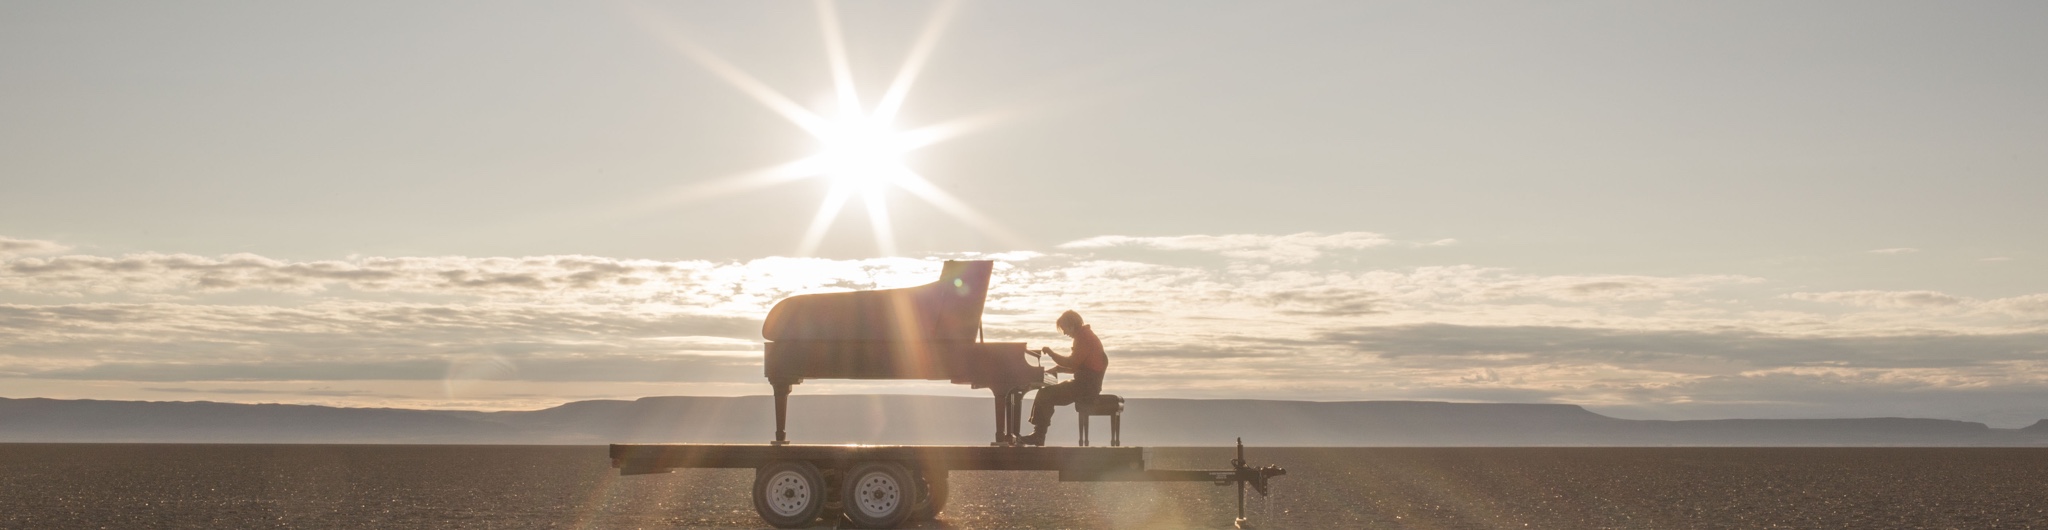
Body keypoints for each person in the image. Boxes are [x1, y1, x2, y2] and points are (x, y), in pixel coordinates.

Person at [1018, 310, 1109, 446]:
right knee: (1046, 393)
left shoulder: (1083, 338)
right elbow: (1076, 366)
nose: (1065, 333)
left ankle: (1038, 435)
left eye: (1064, 328)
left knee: (1045, 394)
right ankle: (1038, 434)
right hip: (1087, 384)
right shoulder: (1085, 335)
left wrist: (1051, 353)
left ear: (1071, 324)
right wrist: (1057, 369)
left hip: (1085, 386)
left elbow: (1071, 363)